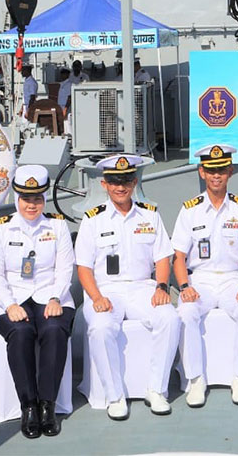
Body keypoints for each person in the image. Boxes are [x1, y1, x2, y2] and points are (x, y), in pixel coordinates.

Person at [77, 155, 180, 420]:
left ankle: (156, 390)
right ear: (104, 184)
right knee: (100, 327)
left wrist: (161, 287)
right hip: (105, 289)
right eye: (113, 181)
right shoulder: (92, 220)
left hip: (142, 287)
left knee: (169, 317)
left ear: (134, 182)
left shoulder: (150, 216)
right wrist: (96, 297)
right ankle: (114, 396)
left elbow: (162, 257)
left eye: (125, 181)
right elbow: (84, 268)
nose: (119, 187)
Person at [0, 166, 75, 438]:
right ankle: (29, 407)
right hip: (10, 297)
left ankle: (48, 405)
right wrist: (10, 304)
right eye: (26, 199)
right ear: (16, 197)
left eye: (37, 199)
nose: (31, 205)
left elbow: (65, 268)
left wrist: (57, 296)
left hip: (50, 295)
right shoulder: (1, 229)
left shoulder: (57, 225)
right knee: (21, 333)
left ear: (44, 198)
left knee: (54, 330)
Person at [171, 144, 238, 406]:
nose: (216, 176)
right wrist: (185, 286)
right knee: (186, 312)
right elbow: (178, 256)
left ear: (230, 172)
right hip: (201, 280)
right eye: (211, 171)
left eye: (221, 170)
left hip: (233, 278)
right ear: (202, 172)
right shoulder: (190, 210)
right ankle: (196, 379)